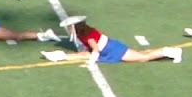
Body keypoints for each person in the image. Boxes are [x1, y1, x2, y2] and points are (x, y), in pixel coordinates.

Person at [41, 15, 183, 64]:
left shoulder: (87, 35)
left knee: (142, 57)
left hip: (113, 49)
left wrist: (91, 62)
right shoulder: (83, 32)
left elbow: (95, 49)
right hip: (109, 48)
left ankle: (171, 52)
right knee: (84, 54)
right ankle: (58, 56)